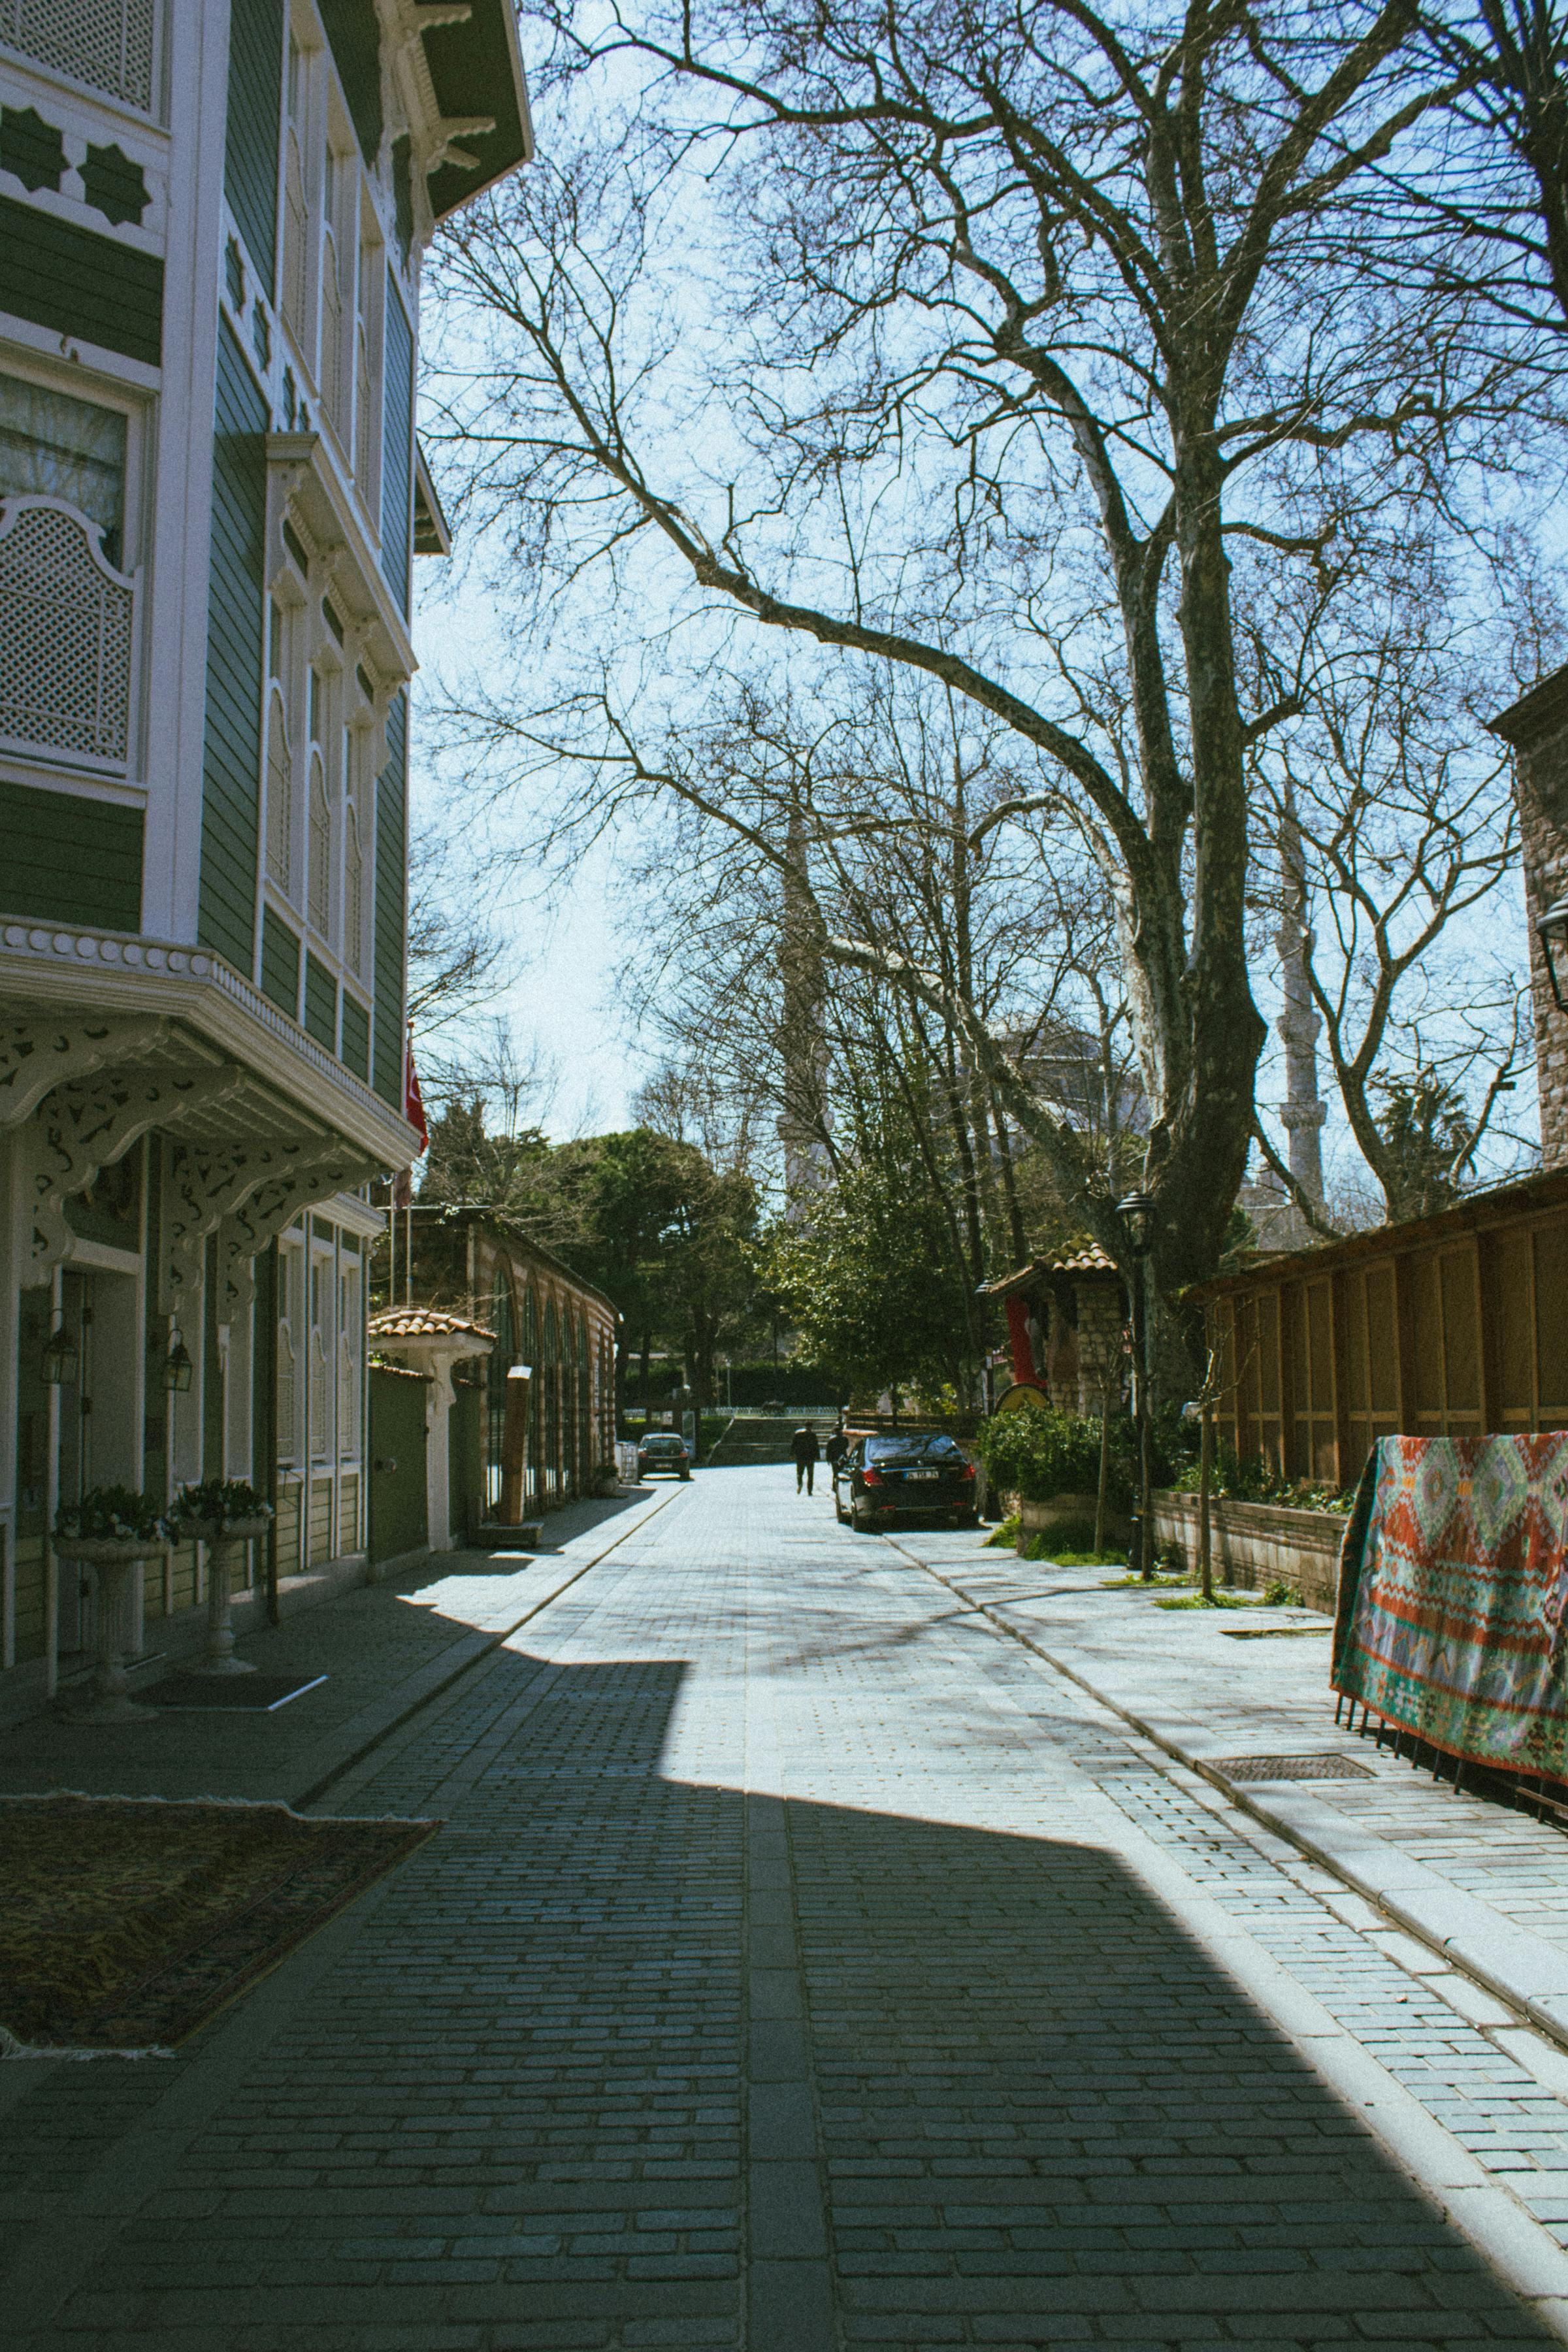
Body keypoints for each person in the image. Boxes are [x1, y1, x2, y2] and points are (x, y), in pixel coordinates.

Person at [791, 1422, 821, 1495]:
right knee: (810, 1475)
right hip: (810, 1457)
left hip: (800, 1456)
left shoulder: (798, 1434)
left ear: (805, 1426)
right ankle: (809, 1491)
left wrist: (792, 1454)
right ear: (811, 1427)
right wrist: (818, 1456)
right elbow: (816, 1446)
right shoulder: (813, 1435)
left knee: (800, 1473)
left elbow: (793, 1444)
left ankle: (800, 1483)